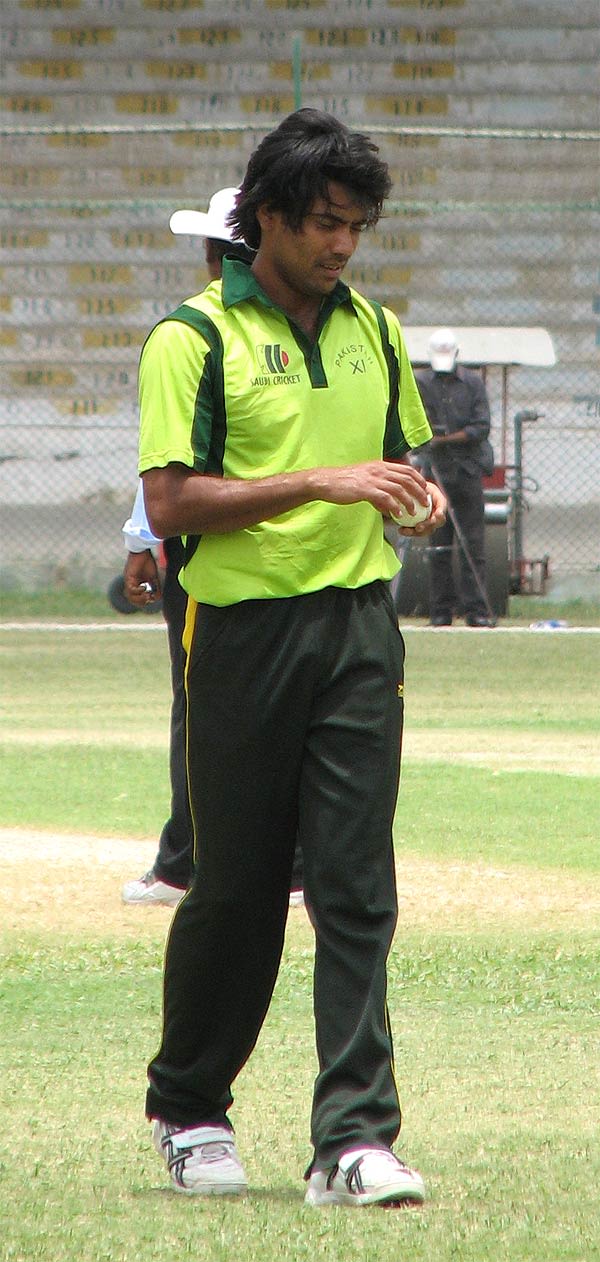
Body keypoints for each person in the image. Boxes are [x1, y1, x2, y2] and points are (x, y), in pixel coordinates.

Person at [139, 108, 446, 1207]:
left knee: (357, 885)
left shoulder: (378, 330)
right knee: (237, 888)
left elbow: (400, 463)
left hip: (359, 630)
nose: (343, 245)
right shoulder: (192, 338)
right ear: (266, 215)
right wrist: (320, 480)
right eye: (325, 222)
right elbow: (171, 502)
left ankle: (353, 1140)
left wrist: (415, 498)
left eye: (357, 225)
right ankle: (189, 1108)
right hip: (241, 636)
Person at [121, 190, 261, 907]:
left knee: (199, 708)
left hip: (207, 558)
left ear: (212, 253)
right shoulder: (305, 335)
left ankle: (184, 863)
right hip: (304, 559)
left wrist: (142, 538)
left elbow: (168, 462)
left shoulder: (193, 333)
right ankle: (292, 866)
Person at [414, 328, 494, 627]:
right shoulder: (421, 383)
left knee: (473, 544)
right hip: (435, 473)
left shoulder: (472, 383)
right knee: (439, 545)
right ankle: (441, 610)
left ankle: (477, 610)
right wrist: (430, 441)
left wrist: (445, 439)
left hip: (467, 471)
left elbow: (480, 427)